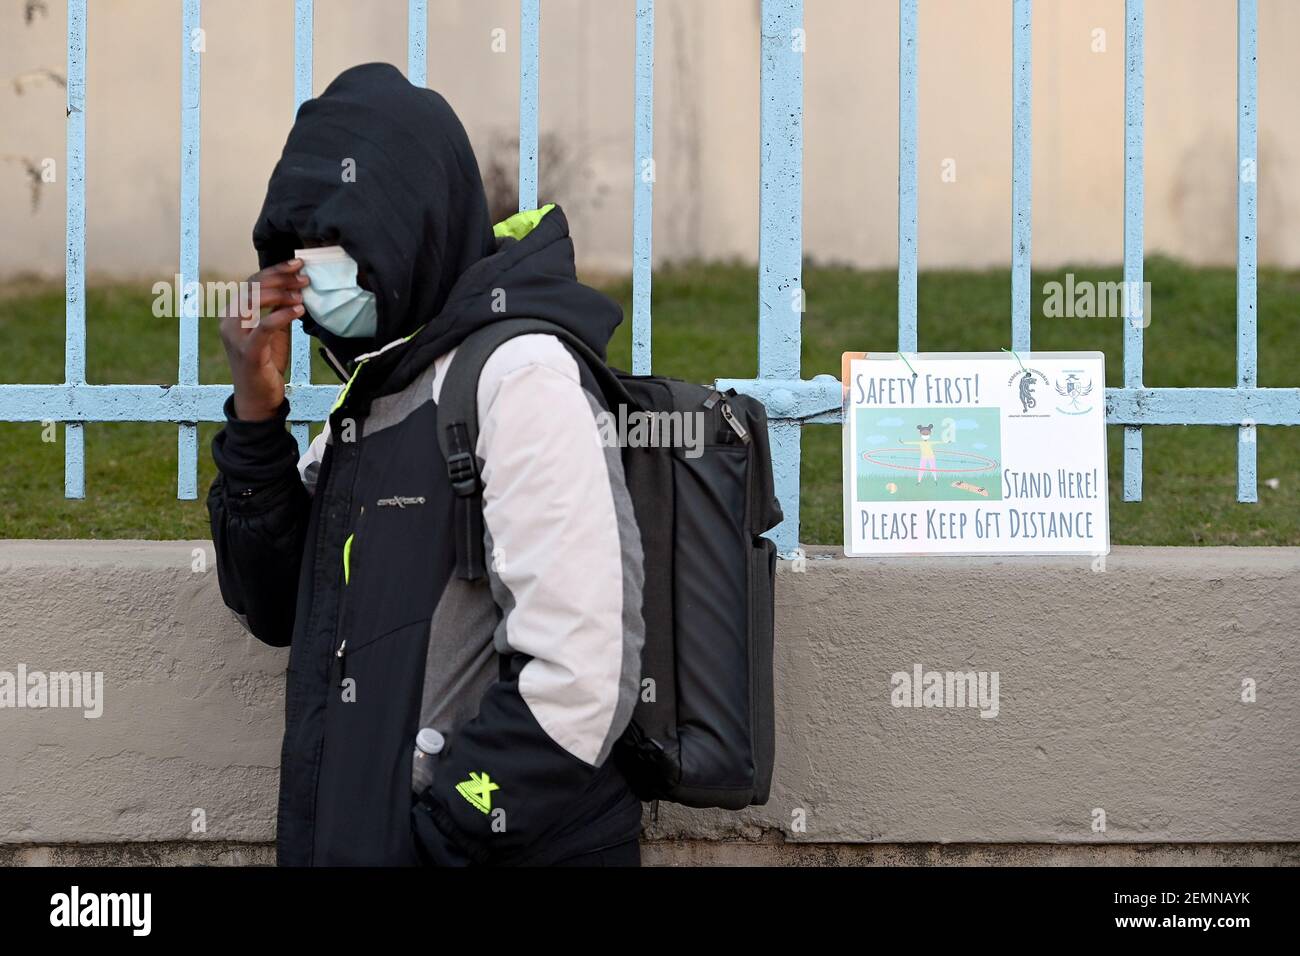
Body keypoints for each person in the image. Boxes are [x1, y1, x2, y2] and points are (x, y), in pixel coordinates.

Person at [208, 63, 645, 867]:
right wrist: (256, 413)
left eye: (339, 242)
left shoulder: (520, 378)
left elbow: (582, 676)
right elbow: (272, 603)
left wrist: (440, 835)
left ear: (414, 222)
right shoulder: (379, 395)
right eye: (298, 249)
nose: (315, 270)